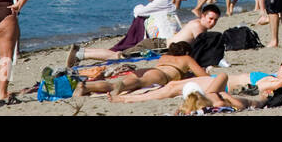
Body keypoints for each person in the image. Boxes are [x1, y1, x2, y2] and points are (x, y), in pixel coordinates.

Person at [68, 0, 180, 65]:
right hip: (164, 41)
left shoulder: (159, 3)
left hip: (161, 44)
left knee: (120, 54)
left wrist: (138, 7)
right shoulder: (165, 3)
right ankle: (82, 53)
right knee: (120, 52)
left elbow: (138, 12)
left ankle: (81, 54)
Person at [74, 41, 208, 97]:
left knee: (115, 84)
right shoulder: (187, 59)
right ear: (187, 53)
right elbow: (203, 77)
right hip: (160, 75)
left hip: (147, 69)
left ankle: (87, 86)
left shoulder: (165, 57)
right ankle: (118, 86)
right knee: (122, 85)